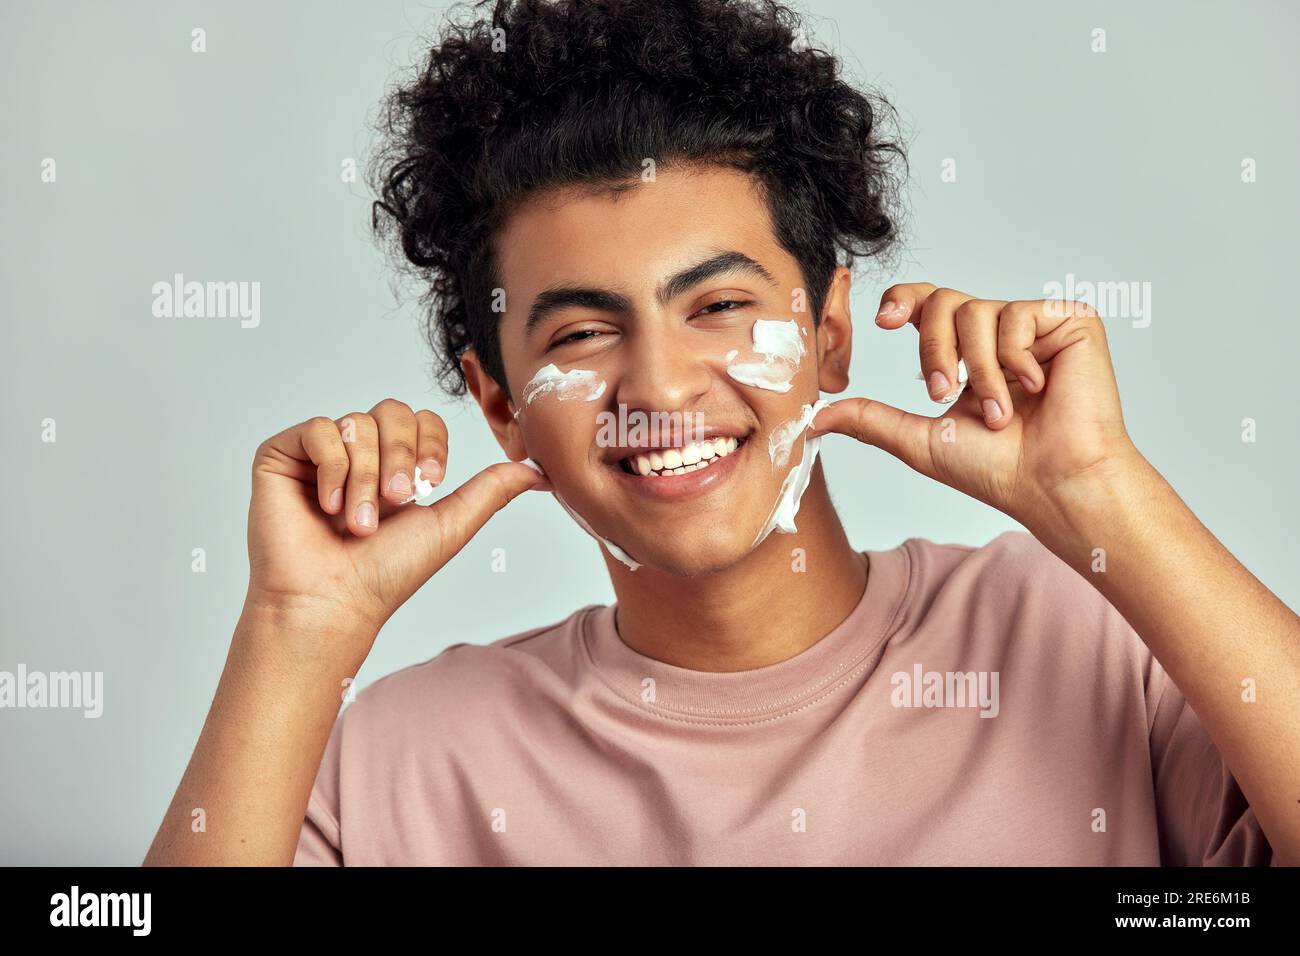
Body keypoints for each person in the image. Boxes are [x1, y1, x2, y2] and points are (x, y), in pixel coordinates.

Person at [145, 0, 1297, 866]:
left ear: (831, 334)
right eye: (585, 331)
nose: (661, 384)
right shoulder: (404, 757)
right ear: (501, 405)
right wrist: (296, 633)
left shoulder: (1087, 640)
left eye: (719, 305)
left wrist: (1103, 493)